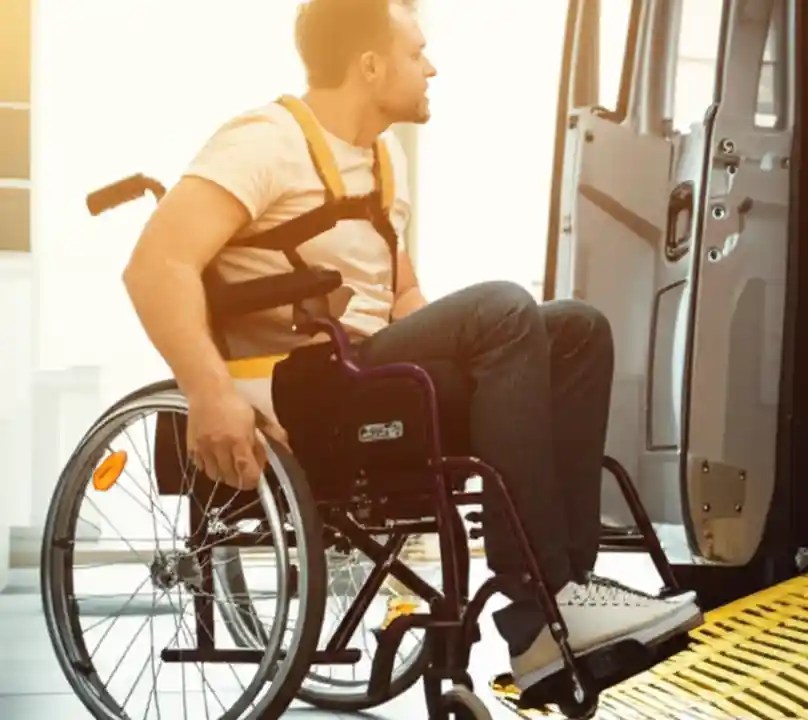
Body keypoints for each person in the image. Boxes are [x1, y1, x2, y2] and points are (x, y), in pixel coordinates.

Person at [121, 0, 699, 691]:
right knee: (506, 306)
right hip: (299, 379)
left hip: (368, 367)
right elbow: (155, 266)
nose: (430, 66)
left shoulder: (382, 161)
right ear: (368, 65)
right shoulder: (264, 141)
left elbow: (403, 299)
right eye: (416, 52)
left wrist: (485, 349)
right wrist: (209, 392)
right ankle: (539, 607)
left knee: (576, 329)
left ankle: (569, 591)